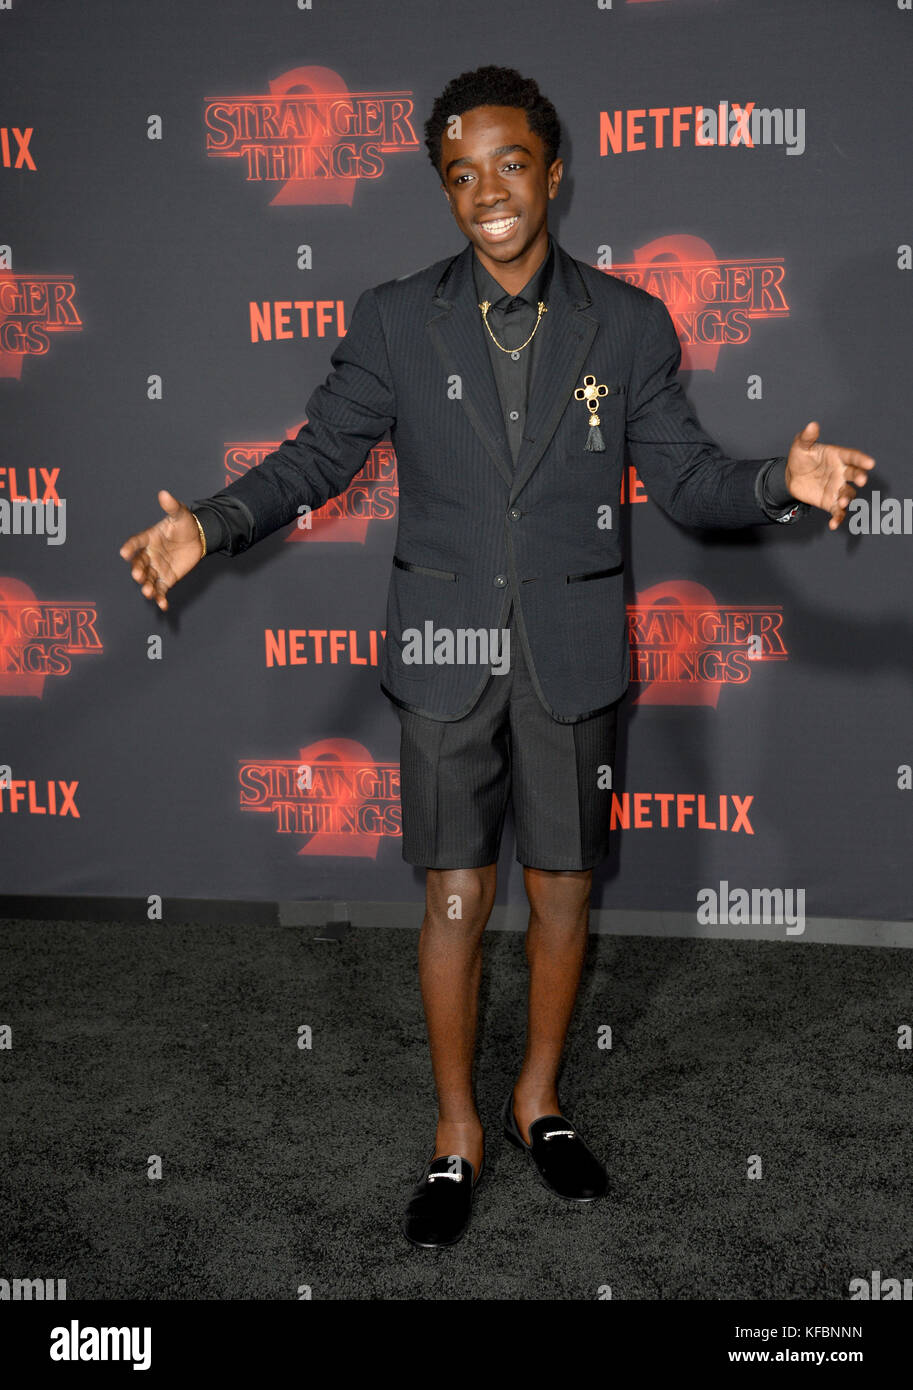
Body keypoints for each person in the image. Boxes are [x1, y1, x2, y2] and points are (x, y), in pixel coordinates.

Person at [119, 66, 874, 1250]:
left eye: (509, 164)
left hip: (572, 658)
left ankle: (539, 1102)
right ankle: (459, 1127)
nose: (487, 191)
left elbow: (685, 481)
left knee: (565, 892)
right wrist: (204, 524)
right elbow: (315, 457)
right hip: (441, 654)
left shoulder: (626, 322)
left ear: (553, 169)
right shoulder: (389, 318)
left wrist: (780, 478)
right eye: (460, 173)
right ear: (444, 189)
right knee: (456, 897)